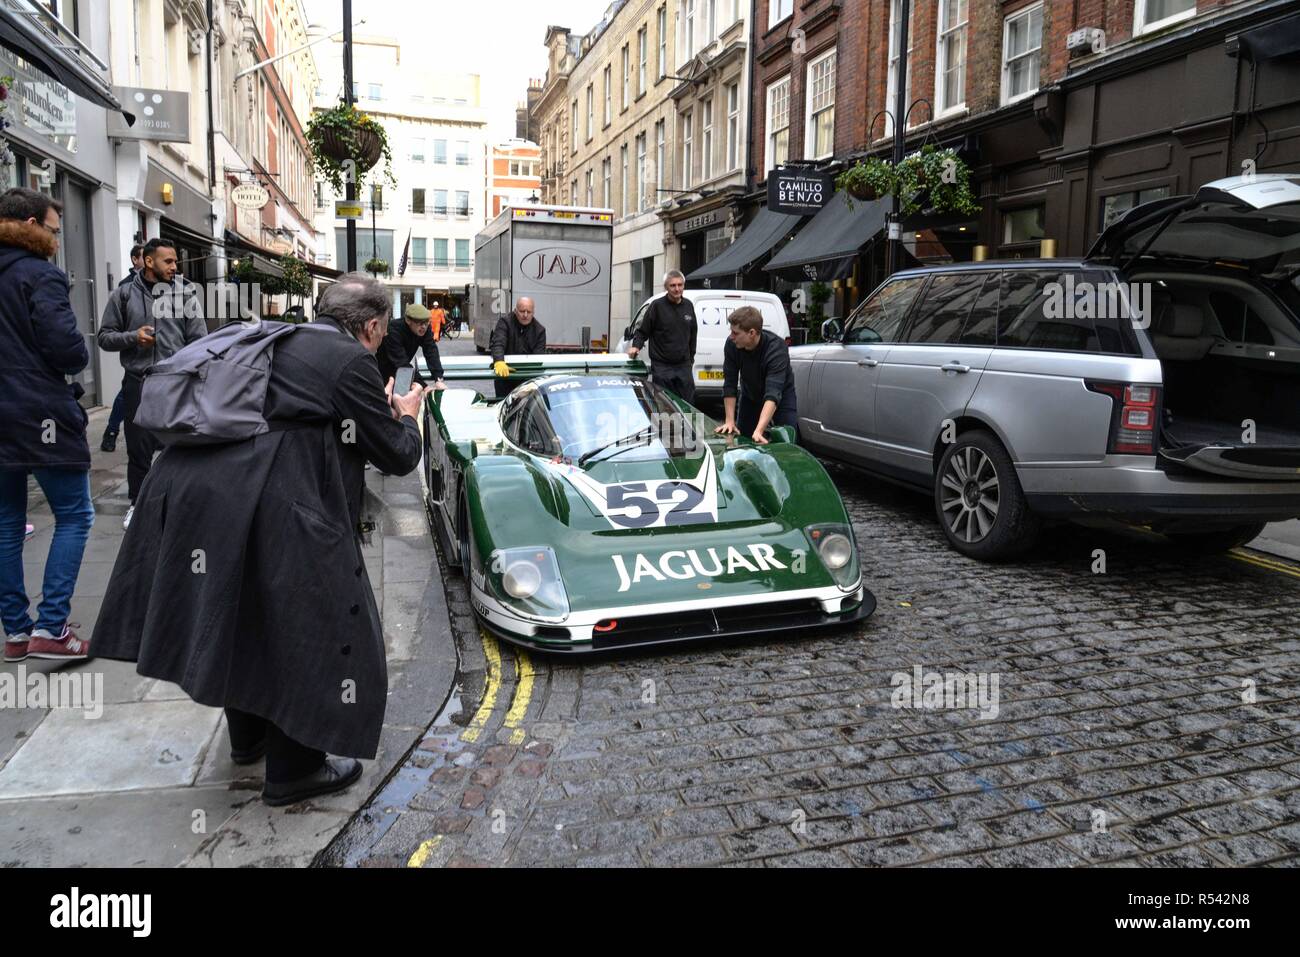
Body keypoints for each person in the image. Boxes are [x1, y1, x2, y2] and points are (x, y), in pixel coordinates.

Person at [91, 273, 425, 807]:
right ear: (371, 326)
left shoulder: (283, 338)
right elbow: (397, 456)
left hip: (196, 493)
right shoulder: (350, 360)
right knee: (306, 623)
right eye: (382, 333)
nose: (382, 341)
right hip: (267, 499)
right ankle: (295, 770)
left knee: (244, 612)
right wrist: (406, 416)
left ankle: (250, 740)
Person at [0, 187, 95, 663]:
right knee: (75, 515)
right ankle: (51, 627)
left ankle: (16, 632)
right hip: (39, 412)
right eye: (55, 229)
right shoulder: (40, 276)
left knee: (6, 524)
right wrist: (76, 353)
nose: (59, 238)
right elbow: (68, 350)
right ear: (32, 225)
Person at [96, 239, 206, 528]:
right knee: (139, 450)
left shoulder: (186, 295)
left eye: (175, 261)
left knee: (180, 447)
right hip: (138, 382)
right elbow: (104, 337)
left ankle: (178, 504)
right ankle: (138, 505)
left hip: (175, 384)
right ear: (148, 262)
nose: (174, 266)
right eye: (168, 261)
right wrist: (133, 337)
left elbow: (199, 341)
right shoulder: (123, 295)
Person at [714, 306, 798, 445]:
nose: (731, 337)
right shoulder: (731, 345)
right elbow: (730, 384)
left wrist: (759, 430)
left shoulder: (776, 349)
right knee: (744, 440)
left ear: (751, 333)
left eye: (735, 333)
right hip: (750, 395)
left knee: (786, 442)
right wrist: (729, 421)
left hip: (780, 398)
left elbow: (773, 393)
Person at [99, 244, 146, 453]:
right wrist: (133, 337)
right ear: (135, 260)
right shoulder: (125, 287)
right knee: (125, 395)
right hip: (135, 352)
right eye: (146, 256)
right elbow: (109, 333)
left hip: (155, 355)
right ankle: (111, 432)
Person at [627, 269, 698, 403]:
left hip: (684, 366)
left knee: (689, 407)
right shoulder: (657, 306)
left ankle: (688, 425)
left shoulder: (688, 305)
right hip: (662, 367)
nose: (677, 289)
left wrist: (690, 359)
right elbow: (642, 331)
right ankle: (663, 425)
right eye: (673, 285)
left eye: (680, 285)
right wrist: (636, 347)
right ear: (666, 287)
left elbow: (693, 334)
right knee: (663, 406)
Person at [376, 302, 446, 389]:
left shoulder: (425, 328)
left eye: (426, 322)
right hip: (381, 371)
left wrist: (438, 378)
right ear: (408, 320)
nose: (424, 327)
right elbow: (401, 362)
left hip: (402, 370)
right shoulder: (394, 330)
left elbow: (431, 351)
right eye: (420, 323)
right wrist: (424, 386)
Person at [490, 296, 546, 398]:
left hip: (528, 382)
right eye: (522, 311)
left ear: (533, 312)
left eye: (529, 312)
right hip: (505, 378)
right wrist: (498, 361)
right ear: (515, 310)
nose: (525, 315)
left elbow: (538, 359)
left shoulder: (540, 331)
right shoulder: (504, 322)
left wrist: (529, 384)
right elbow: (498, 343)